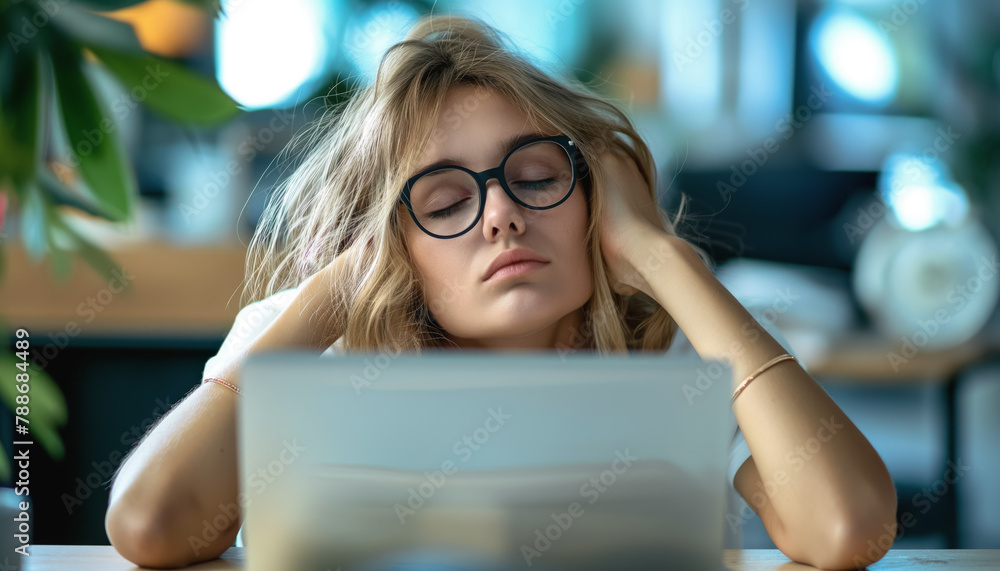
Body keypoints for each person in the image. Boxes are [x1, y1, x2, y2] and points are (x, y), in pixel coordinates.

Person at [105, 15, 897, 569]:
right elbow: (150, 524)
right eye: (444, 202)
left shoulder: (676, 337)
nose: (503, 215)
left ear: (597, 200)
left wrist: (665, 258)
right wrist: (343, 278)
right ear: (389, 242)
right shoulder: (309, 341)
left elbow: (844, 526)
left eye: (538, 176)